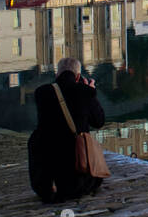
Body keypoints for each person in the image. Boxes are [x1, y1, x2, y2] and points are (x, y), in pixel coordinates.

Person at [28, 57, 106, 205]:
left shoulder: (41, 92)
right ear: (78, 76)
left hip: (47, 182)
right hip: (75, 181)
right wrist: (91, 93)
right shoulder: (85, 92)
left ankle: (49, 185)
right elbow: (98, 122)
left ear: (57, 74)